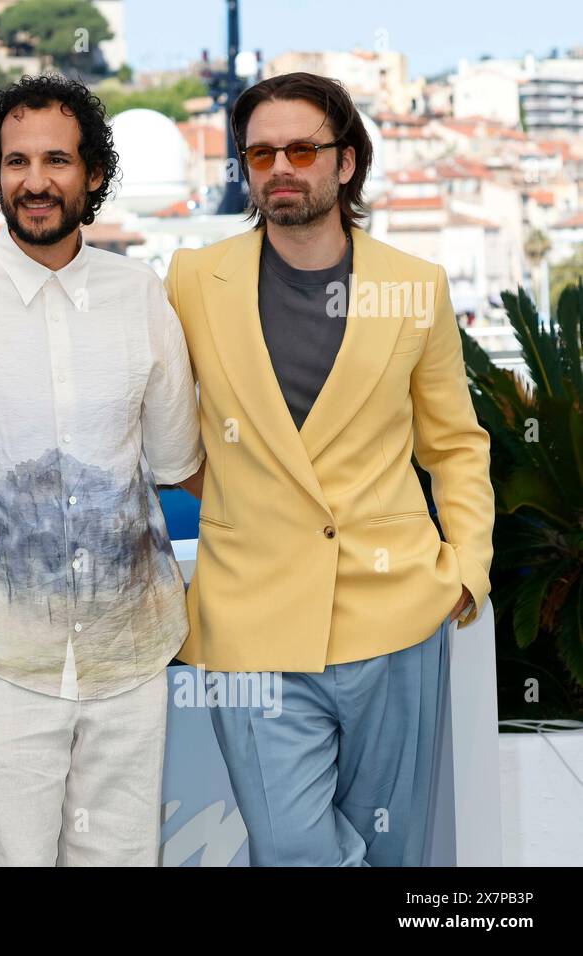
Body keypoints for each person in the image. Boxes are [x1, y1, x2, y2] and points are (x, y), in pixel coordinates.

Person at [165, 71, 495, 866]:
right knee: (292, 852)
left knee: (396, 853)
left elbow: (454, 445)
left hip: (396, 615)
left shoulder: (415, 288)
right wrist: (254, 509)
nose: (281, 167)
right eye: (261, 152)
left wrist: (466, 572)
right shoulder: (191, 283)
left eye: (303, 149)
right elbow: (163, 438)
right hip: (254, 624)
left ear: (346, 163)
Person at [0, 75, 204, 866]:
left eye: (57, 160)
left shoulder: (140, 297)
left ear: (93, 174)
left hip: (129, 659)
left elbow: (175, 463)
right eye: (16, 160)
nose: (35, 181)